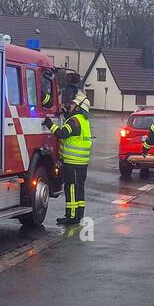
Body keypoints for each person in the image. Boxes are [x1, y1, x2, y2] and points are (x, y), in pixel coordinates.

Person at [47, 92, 92, 225]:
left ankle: (71, 216)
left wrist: (50, 124)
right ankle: (78, 215)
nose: (70, 105)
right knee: (79, 188)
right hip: (82, 162)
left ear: (78, 107)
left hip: (72, 162)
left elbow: (62, 134)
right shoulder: (83, 121)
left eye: (73, 104)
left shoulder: (74, 121)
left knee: (71, 187)